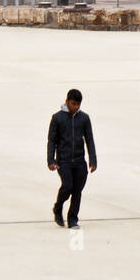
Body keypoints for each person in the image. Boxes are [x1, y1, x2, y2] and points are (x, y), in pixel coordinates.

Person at [47, 88, 97, 229]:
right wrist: (51, 160)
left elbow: (89, 140)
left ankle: (73, 219)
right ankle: (58, 208)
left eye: (78, 105)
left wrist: (93, 160)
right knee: (67, 186)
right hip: (63, 161)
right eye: (73, 104)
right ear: (67, 101)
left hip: (80, 161)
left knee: (77, 190)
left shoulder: (84, 118)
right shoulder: (57, 118)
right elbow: (52, 140)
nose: (75, 107)